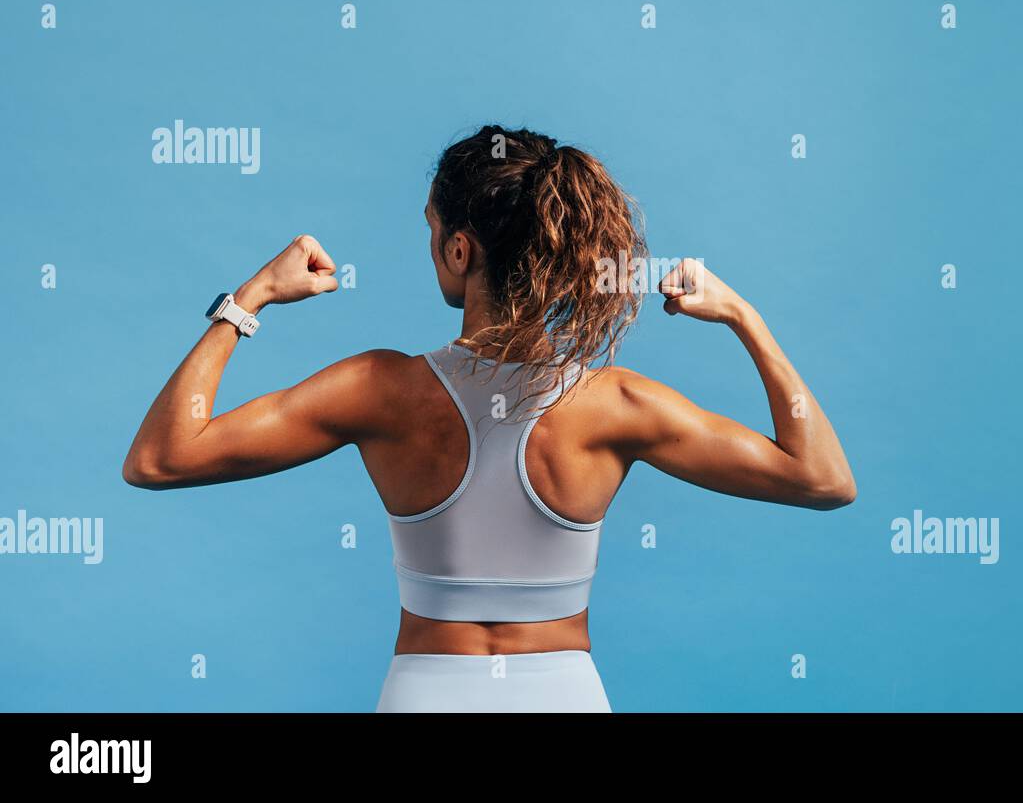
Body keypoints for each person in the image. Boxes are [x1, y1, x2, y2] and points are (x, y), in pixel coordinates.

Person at [122, 125, 856, 712]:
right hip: (563, 695)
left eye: (432, 229)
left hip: (426, 695)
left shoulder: (381, 390)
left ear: (460, 249)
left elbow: (160, 456)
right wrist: (742, 316)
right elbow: (821, 477)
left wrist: (250, 299)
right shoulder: (618, 403)